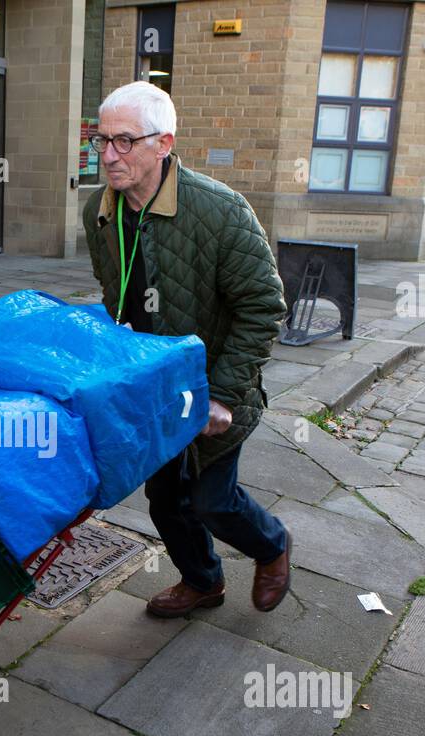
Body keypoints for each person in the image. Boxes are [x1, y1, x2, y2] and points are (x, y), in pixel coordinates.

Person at [82, 81, 292, 617]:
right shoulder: (99, 212)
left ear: (164, 143)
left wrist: (220, 393)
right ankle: (203, 582)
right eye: (100, 139)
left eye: (124, 141)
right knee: (166, 504)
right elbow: (117, 300)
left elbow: (264, 307)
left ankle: (272, 546)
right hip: (152, 390)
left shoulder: (221, 211)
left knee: (212, 501)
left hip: (215, 386)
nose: (108, 155)